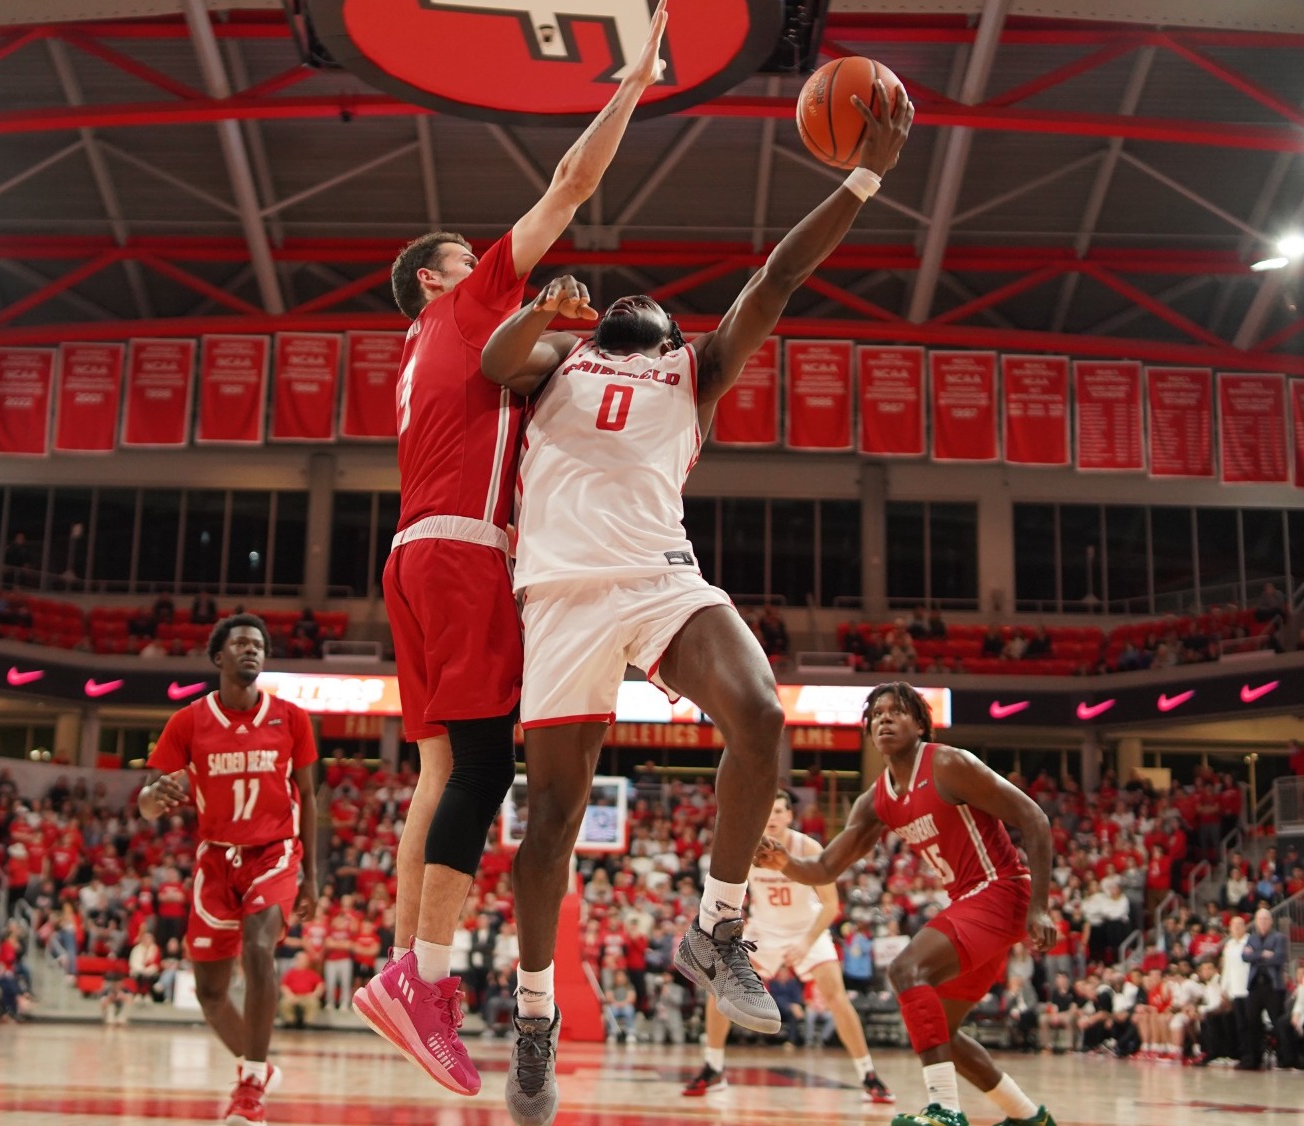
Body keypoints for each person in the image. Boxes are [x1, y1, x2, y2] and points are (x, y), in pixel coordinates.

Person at [478, 70, 915, 1126]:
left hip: (662, 579)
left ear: (673, 336)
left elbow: (773, 275)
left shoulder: (696, 369)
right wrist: (539, 309)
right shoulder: (554, 361)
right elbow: (492, 359)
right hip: (559, 598)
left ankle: (715, 929)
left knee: (761, 713)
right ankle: (533, 1019)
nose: (634, 297)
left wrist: (861, 174)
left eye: (652, 302)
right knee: (551, 823)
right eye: (619, 298)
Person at [351, 6, 669, 1106]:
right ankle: (421, 982)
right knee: (487, 771)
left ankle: (404, 967)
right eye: (466, 258)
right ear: (445, 282)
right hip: (462, 555)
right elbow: (569, 184)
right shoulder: (469, 304)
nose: (487, 257)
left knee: (441, 771)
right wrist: (628, 83)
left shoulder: (423, 352)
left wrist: (556, 336)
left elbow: (527, 378)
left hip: (410, 553)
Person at [758, 684, 1056, 1126]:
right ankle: (1029, 1116)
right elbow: (823, 868)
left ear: (920, 724)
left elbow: (1035, 818)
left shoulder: (949, 764)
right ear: (868, 732)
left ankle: (945, 1110)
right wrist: (783, 862)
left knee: (904, 970)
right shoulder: (875, 800)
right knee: (943, 1033)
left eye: (897, 712)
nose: (884, 720)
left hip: (1002, 891)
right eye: (877, 715)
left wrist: (1040, 907)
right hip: (974, 904)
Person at [137, 613, 319, 1126]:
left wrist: (314, 875)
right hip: (216, 857)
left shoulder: (292, 718)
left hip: (275, 852)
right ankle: (258, 1068)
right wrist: (155, 796)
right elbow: (149, 803)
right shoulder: (189, 721)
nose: (251, 650)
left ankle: (249, 1089)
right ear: (219, 657)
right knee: (210, 993)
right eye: (240, 642)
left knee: (260, 950)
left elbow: (307, 795)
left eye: (259, 644)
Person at [682, 791, 892, 1102]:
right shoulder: (744, 848)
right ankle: (713, 1068)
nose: (774, 817)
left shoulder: (807, 847)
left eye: (780, 811)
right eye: (768, 811)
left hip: (807, 927)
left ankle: (868, 1075)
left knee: (836, 996)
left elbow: (831, 905)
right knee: (720, 987)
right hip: (765, 929)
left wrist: (806, 943)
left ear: (790, 816)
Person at [1235, 907, 1287, 1070]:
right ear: (1256, 922)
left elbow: (1278, 958)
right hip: (1255, 985)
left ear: (1271, 921)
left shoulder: (1279, 937)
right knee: (1252, 1022)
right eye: (1260, 919)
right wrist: (1263, 954)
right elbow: (1245, 956)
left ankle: (1283, 1058)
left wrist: (1255, 955)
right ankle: (1252, 1058)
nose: (1263, 922)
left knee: (1277, 1021)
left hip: (1272, 985)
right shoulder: (1252, 938)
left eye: (1266, 919)